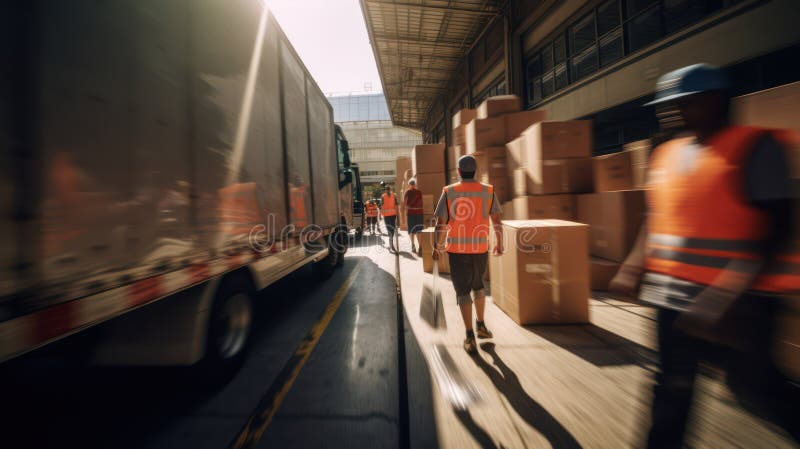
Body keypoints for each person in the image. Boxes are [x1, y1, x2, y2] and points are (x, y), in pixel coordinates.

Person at [610, 63, 799, 448]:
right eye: (668, 104)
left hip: (740, 305)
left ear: (714, 101)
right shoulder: (666, 153)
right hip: (671, 300)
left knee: (755, 390)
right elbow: (656, 217)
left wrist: (726, 295)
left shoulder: (755, 148)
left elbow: (776, 228)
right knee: (670, 390)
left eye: (683, 103)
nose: (671, 111)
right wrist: (633, 265)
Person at [433, 155, 504, 354]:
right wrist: (500, 242)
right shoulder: (487, 191)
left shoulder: (449, 192)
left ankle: (469, 335)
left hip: (457, 251)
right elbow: (497, 220)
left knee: (463, 292)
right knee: (478, 285)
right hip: (480, 249)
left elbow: (441, 223)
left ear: (458, 170)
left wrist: (437, 247)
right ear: (476, 170)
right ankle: (481, 324)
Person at [403, 178, 424, 254]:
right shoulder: (419, 192)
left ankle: (413, 245)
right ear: (415, 184)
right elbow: (421, 202)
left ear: (409, 185)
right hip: (419, 213)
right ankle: (420, 247)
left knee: (412, 230)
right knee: (419, 230)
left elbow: (404, 204)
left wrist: (405, 217)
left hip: (411, 214)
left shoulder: (407, 192)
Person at [380, 182, 399, 252]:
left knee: (390, 229)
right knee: (391, 229)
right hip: (391, 215)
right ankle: (391, 243)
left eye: (387, 189)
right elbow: (396, 205)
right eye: (387, 189)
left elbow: (381, 206)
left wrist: (381, 214)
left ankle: (391, 242)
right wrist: (397, 214)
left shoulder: (384, 196)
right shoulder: (393, 195)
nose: (387, 190)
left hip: (388, 215)